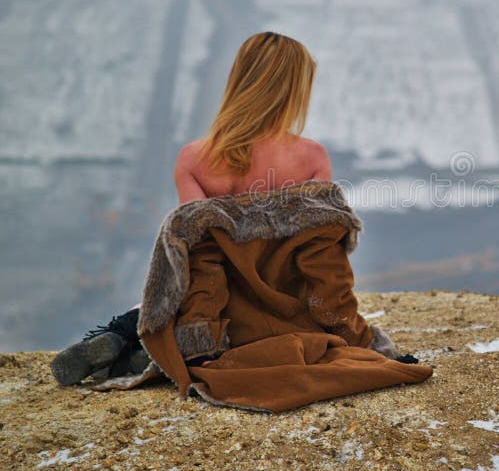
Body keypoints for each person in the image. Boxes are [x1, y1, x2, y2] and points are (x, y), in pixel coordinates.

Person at [51, 31, 337, 386]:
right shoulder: (312, 157)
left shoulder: (193, 158)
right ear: (295, 90)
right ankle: (151, 352)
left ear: (239, 80)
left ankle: (127, 335)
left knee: (193, 295)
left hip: (210, 301)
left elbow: (202, 245)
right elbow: (314, 258)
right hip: (273, 304)